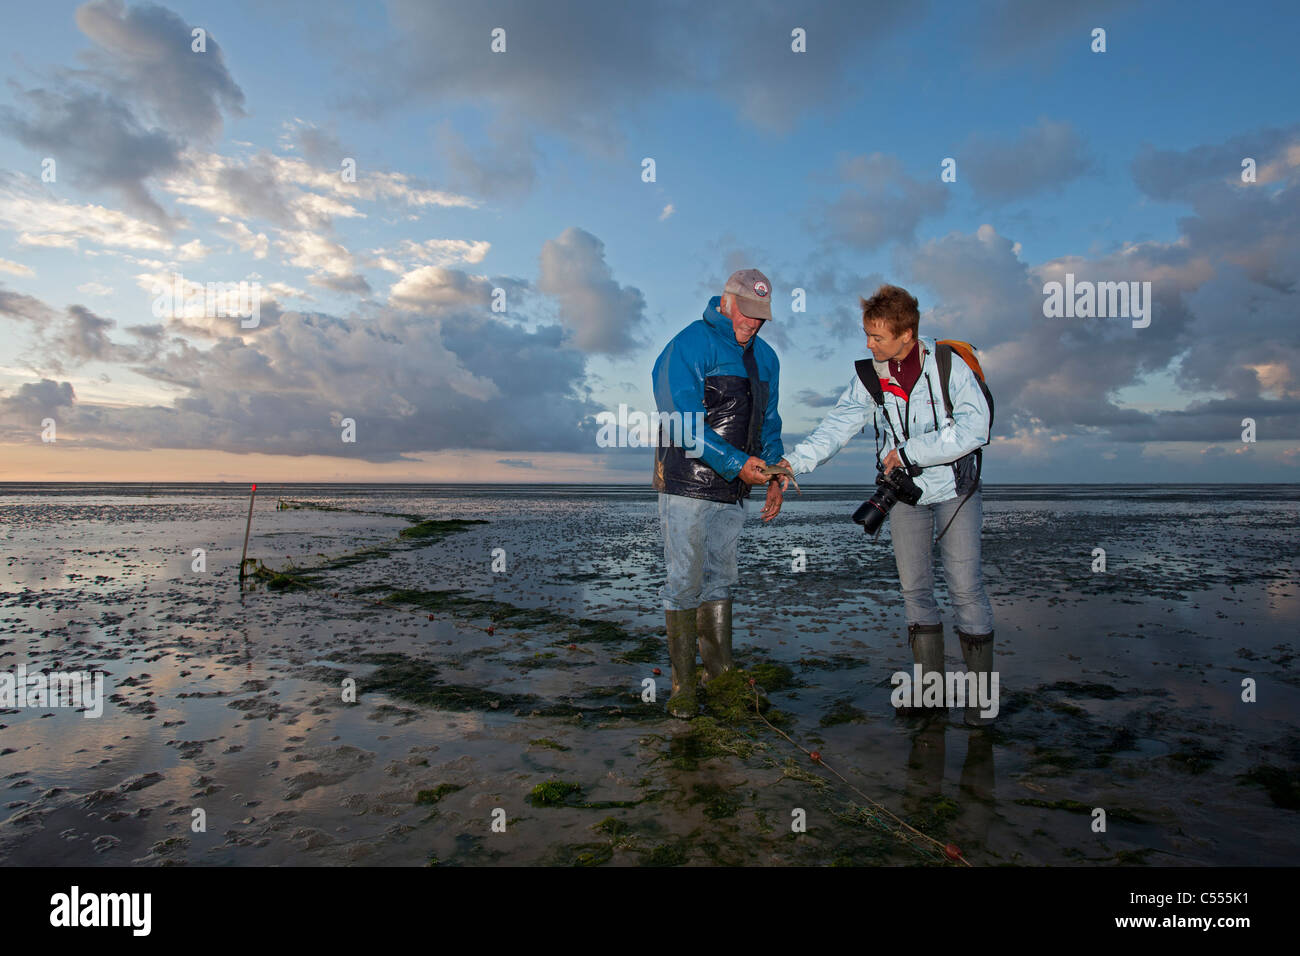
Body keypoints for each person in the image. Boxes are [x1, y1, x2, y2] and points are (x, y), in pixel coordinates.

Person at [777, 284, 995, 726]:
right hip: (905, 495)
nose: (869, 344)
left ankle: (982, 702)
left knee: (965, 589)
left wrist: (912, 452)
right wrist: (792, 463)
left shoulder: (950, 366)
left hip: (955, 490)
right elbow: (837, 426)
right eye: (867, 334)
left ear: (908, 335)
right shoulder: (871, 374)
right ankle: (932, 695)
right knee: (916, 592)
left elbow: (977, 428)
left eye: (877, 337)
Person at [651, 268, 785, 719]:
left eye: (761, 316)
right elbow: (680, 421)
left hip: (736, 489)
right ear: (726, 301)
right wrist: (735, 463)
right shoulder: (688, 344)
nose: (752, 323)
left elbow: (770, 423)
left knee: (721, 578)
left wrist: (776, 472)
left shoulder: (767, 359)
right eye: (746, 312)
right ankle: (683, 686)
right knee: (684, 581)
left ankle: (720, 672)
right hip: (689, 484)